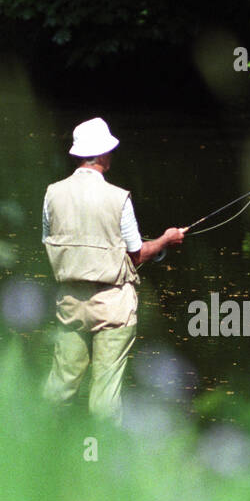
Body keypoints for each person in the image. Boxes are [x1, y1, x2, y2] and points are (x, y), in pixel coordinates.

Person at [41, 117, 185, 422]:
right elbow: (136, 255)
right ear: (104, 155)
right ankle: (103, 459)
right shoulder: (118, 199)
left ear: (79, 154)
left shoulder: (52, 193)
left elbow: (48, 241)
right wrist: (165, 240)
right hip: (112, 306)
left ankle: (44, 452)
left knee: (59, 390)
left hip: (69, 303)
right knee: (104, 400)